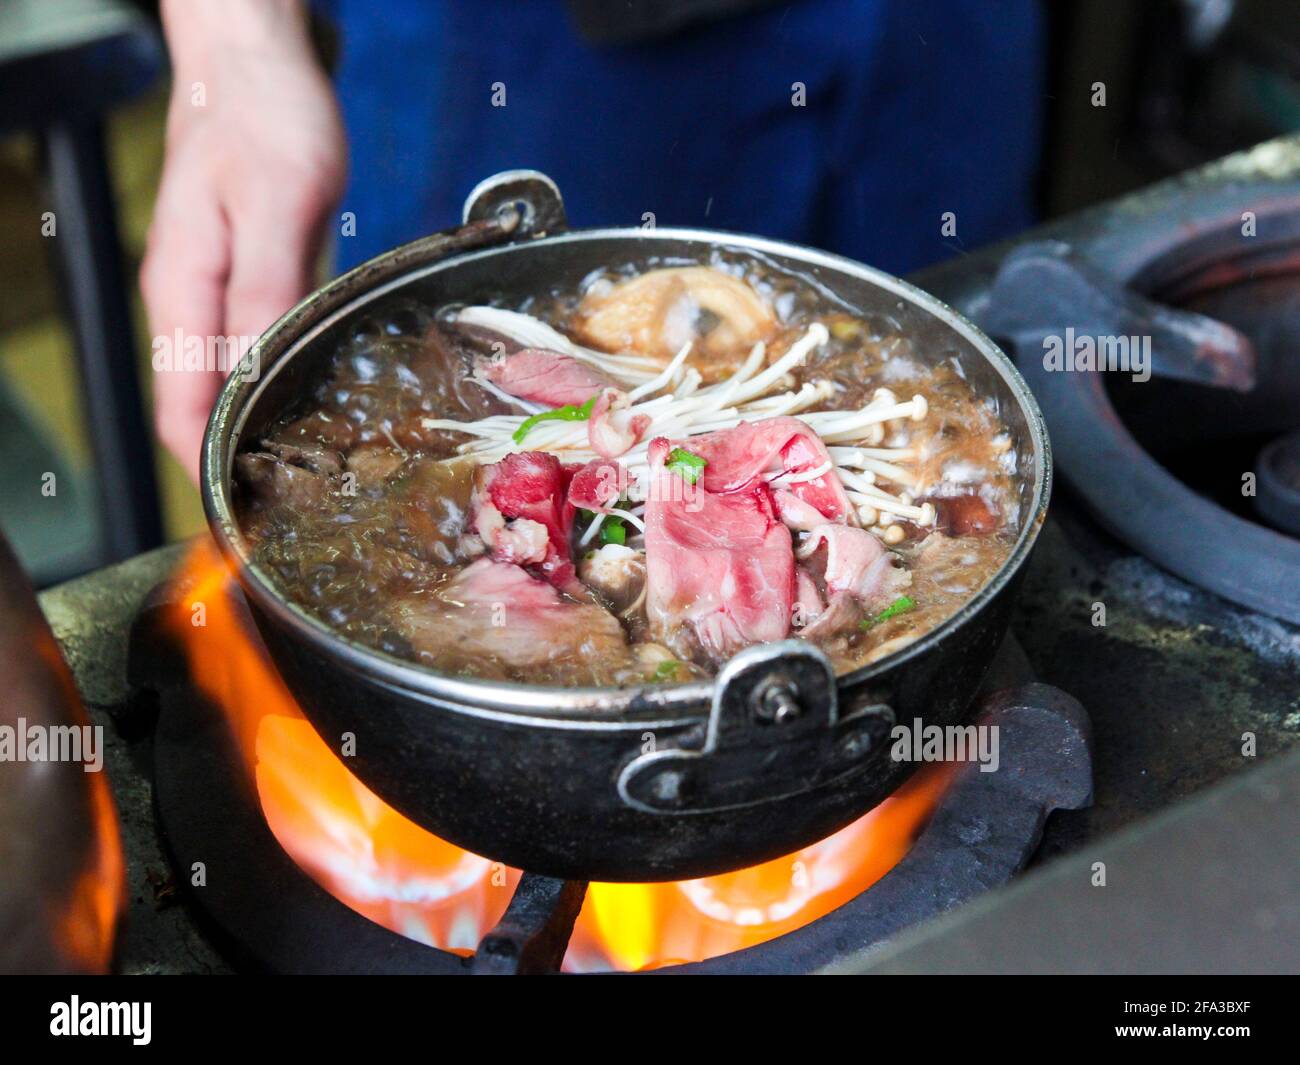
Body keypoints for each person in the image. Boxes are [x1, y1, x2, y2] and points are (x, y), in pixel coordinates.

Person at [142, 0, 1044, 480]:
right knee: (448, 421)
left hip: (949, 23)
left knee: (958, 403)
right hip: (519, 34)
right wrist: (234, 40)